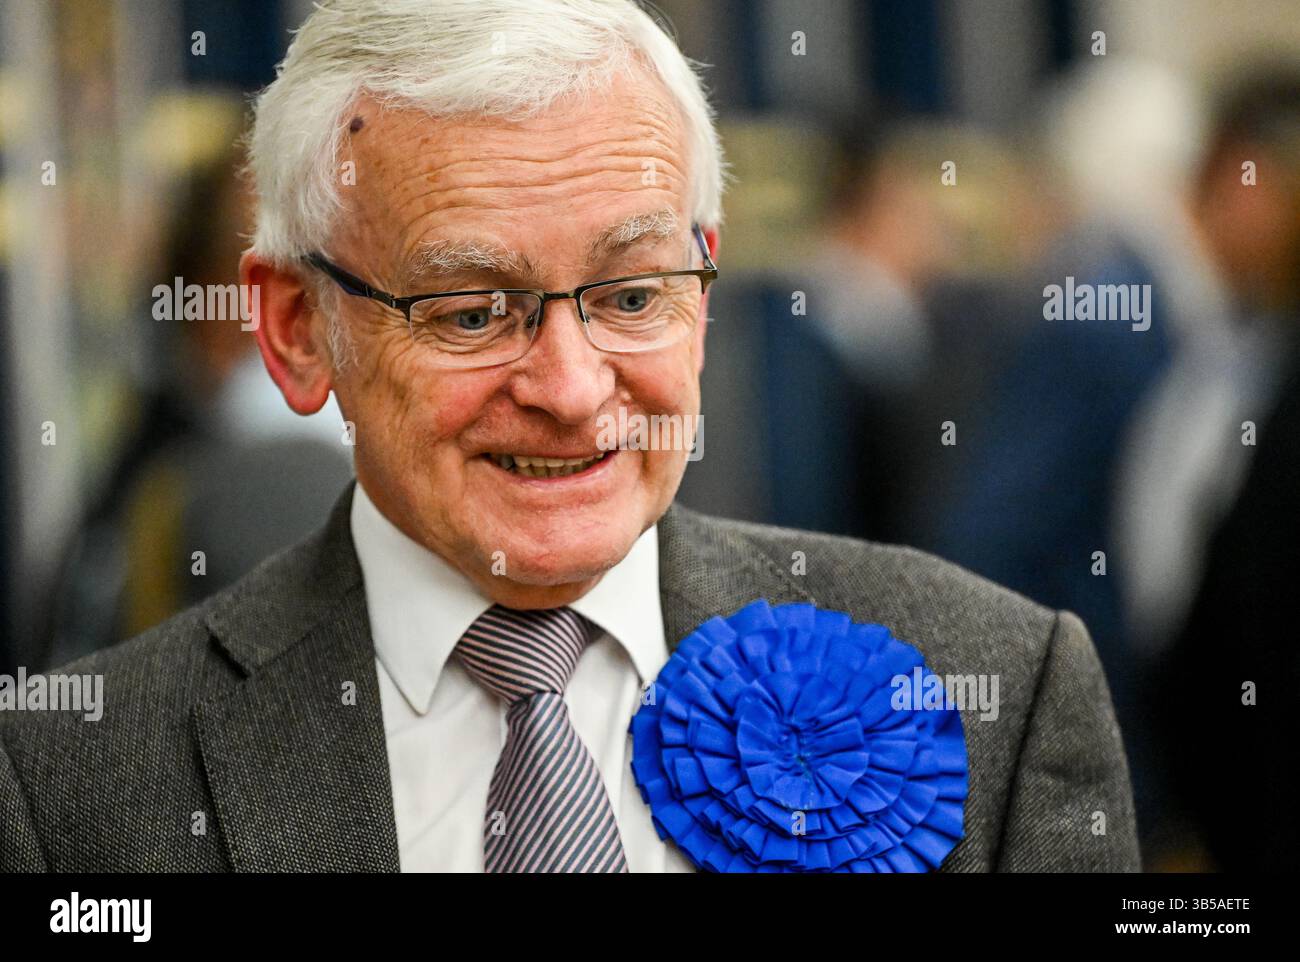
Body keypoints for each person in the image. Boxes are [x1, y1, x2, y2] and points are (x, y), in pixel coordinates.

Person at [0, 0, 1137, 873]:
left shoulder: (992, 688)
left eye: (633, 293)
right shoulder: (75, 783)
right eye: (470, 310)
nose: (570, 386)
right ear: (298, 329)